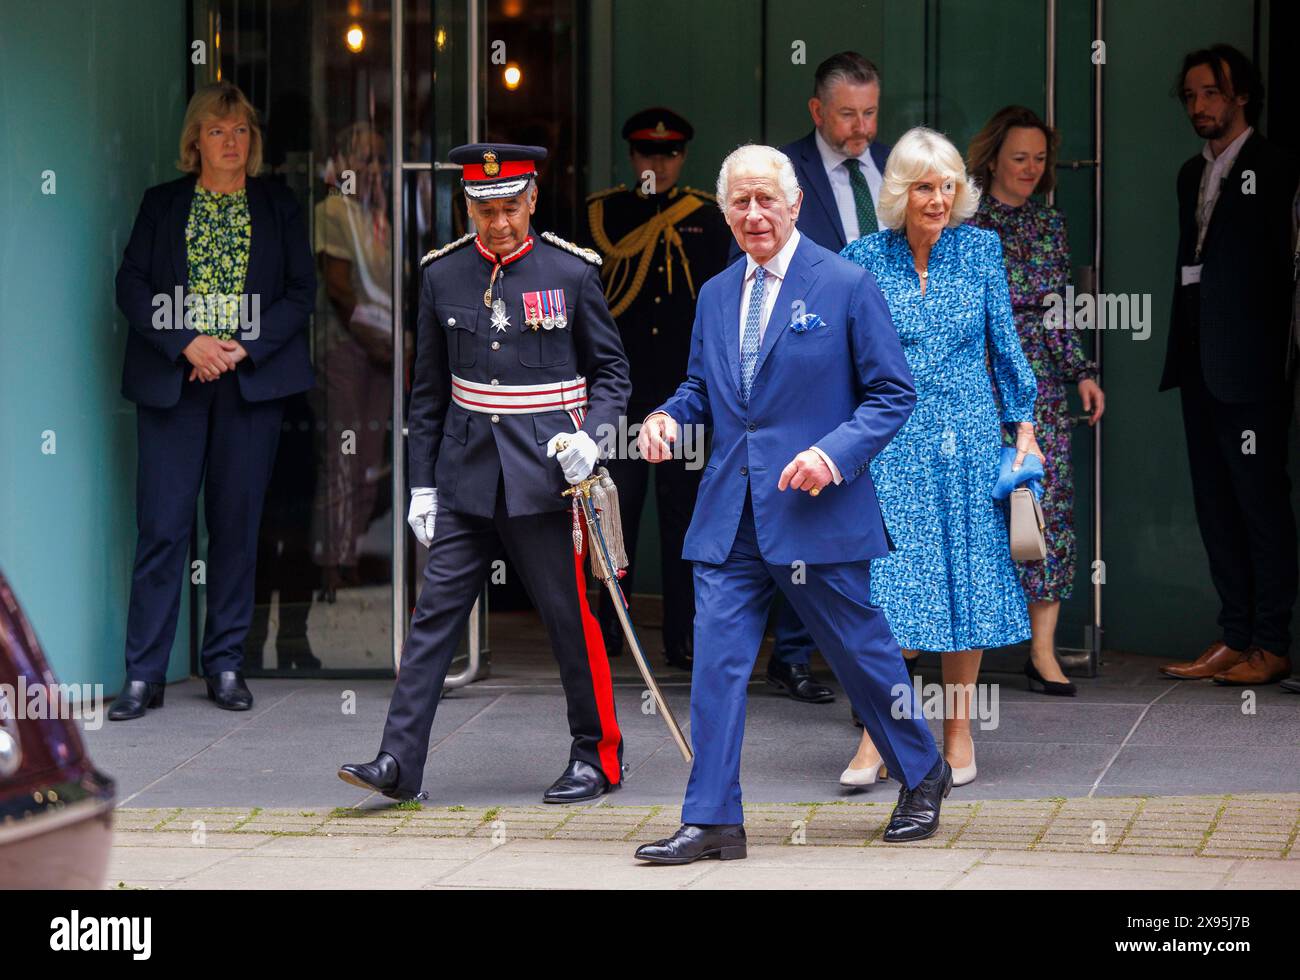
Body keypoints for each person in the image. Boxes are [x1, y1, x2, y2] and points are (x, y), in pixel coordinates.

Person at [633, 144, 952, 865]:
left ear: (794, 204)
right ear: (725, 211)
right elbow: (700, 390)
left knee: (860, 655)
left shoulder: (844, 283)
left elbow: (892, 393)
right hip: (730, 516)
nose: (753, 214)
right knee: (716, 665)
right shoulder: (716, 295)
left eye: (765, 199)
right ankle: (713, 818)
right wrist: (666, 418)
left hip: (816, 513)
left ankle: (922, 768)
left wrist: (832, 454)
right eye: (740, 202)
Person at [338, 143, 632, 804]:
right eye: (481, 208)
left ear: (532, 199)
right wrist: (419, 483)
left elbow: (614, 374)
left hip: (549, 476)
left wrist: (595, 439)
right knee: (433, 618)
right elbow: (429, 393)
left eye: (507, 207)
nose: (496, 222)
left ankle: (599, 757)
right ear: (464, 205)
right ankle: (399, 760)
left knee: (568, 618)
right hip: (467, 475)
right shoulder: (443, 275)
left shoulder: (573, 272)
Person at [838, 127, 1044, 789]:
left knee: (965, 586)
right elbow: (842, 358)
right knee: (891, 594)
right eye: (924, 186)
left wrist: (1026, 429)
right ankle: (880, 734)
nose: (937, 198)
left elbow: (1005, 347)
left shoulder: (980, 249)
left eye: (948, 185)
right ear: (900, 191)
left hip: (969, 438)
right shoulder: (863, 257)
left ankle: (957, 733)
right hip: (892, 442)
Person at [109, 81, 315, 720]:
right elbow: (131, 285)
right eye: (219, 131)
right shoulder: (162, 205)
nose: (232, 142)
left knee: (234, 527)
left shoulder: (277, 204)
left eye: (242, 131)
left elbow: (299, 292)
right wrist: (187, 344)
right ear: (195, 141)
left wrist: (238, 348)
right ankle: (143, 676)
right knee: (164, 529)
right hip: (175, 384)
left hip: (249, 387)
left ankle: (225, 664)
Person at [1156, 45, 1299, 686]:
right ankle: (1234, 634)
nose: (1198, 107)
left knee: (1260, 505)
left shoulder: (1274, 167)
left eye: (1210, 93)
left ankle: (1271, 641)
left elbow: (1278, 278)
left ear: (1240, 94)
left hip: (1253, 371)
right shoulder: (1193, 173)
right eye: (1189, 97)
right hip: (1198, 363)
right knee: (1214, 504)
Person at [759, 51, 894, 704]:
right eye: (847, 114)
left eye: (870, 112)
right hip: (809, 361)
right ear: (818, 111)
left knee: (866, 505)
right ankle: (792, 654)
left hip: (882, 357)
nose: (861, 127)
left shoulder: (897, 169)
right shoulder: (783, 174)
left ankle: (876, 647)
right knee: (806, 500)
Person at [583, 107, 732, 672]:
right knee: (612, 515)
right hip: (621, 395)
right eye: (648, 153)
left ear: (683, 157)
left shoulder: (709, 217)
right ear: (632, 157)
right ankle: (609, 629)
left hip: (682, 397)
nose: (658, 163)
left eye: (668, 154)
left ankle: (681, 635)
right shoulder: (605, 214)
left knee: (682, 517)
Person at [967, 105, 1105, 697]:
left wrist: (1081, 371)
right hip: (979, 373)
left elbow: (1058, 306)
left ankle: (1042, 652)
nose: (1030, 168)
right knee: (974, 504)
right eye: (1019, 157)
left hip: (1041, 383)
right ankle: (937, 639)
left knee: (1048, 510)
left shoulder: (1051, 225)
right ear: (994, 156)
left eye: (1040, 159)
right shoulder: (964, 221)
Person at [311, 122, 395, 607]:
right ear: (341, 162)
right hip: (344, 346)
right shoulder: (333, 211)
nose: (373, 168)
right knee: (341, 459)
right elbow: (339, 288)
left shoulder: (376, 217)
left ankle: (352, 556)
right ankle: (331, 566)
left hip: (379, 350)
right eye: (364, 158)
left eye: (380, 160)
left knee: (370, 462)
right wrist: (375, 341)